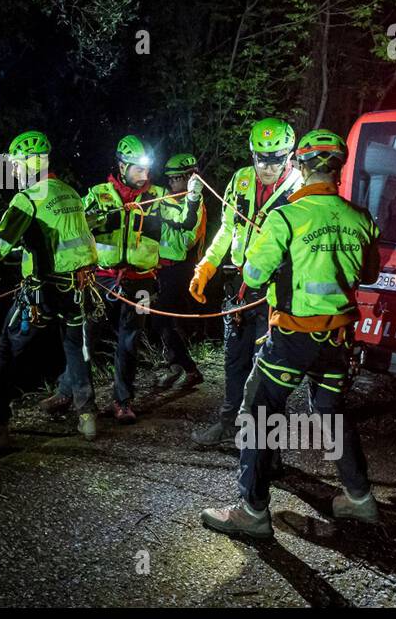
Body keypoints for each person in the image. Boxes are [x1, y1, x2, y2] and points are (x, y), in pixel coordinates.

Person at [199, 129, 382, 539]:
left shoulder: (285, 217)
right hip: (338, 340)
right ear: (339, 168)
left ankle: (252, 511)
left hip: (293, 337)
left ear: (300, 164)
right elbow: (370, 273)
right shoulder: (361, 218)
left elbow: (254, 274)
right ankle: (359, 498)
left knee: (259, 411)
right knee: (331, 413)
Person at [0, 131, 99, 443]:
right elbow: (60, 241)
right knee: (76, 349)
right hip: (76, 289)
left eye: (16, 165)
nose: (15, 171)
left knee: (6, 350)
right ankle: (87, 418)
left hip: (41, 293)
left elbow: (0, 248)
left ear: (30, 165)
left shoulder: (27, 198)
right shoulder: (69, 192)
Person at [188, 118, 301, 445]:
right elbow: (227, 229)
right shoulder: (240, 181)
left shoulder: (298, 189)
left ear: (289, 154)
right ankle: (228, 423)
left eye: (275, 158)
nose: (267, 166)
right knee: (234, 362)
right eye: (260, 158)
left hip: (275, 291)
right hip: (237, 287)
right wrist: (206, 266)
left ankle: (269, 446)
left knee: (266, 371)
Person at [83, 135, 201, 423]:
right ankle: (76, 397)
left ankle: (122, 401)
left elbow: (185, 221)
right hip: (103, 280)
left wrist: (194, 198)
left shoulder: (156, 197)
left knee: (129, 341)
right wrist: (93, 219)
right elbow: (77, 228)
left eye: (147, 170)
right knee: (86, 336)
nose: (144, 176)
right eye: (138, 169)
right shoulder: (99, 194)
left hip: (141, 281)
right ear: (122, 166)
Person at [151, 153, 208, 389]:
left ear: (190, 178)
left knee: (165, 319)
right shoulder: (166, 200)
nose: (172, 183)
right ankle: (175, 363)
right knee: (162, 319)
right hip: (161, 269)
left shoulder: (196, 205)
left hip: (180, 269)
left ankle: (188, 368)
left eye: (177, 179)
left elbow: (185, 243)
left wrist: (166, 220)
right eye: (170, 179)